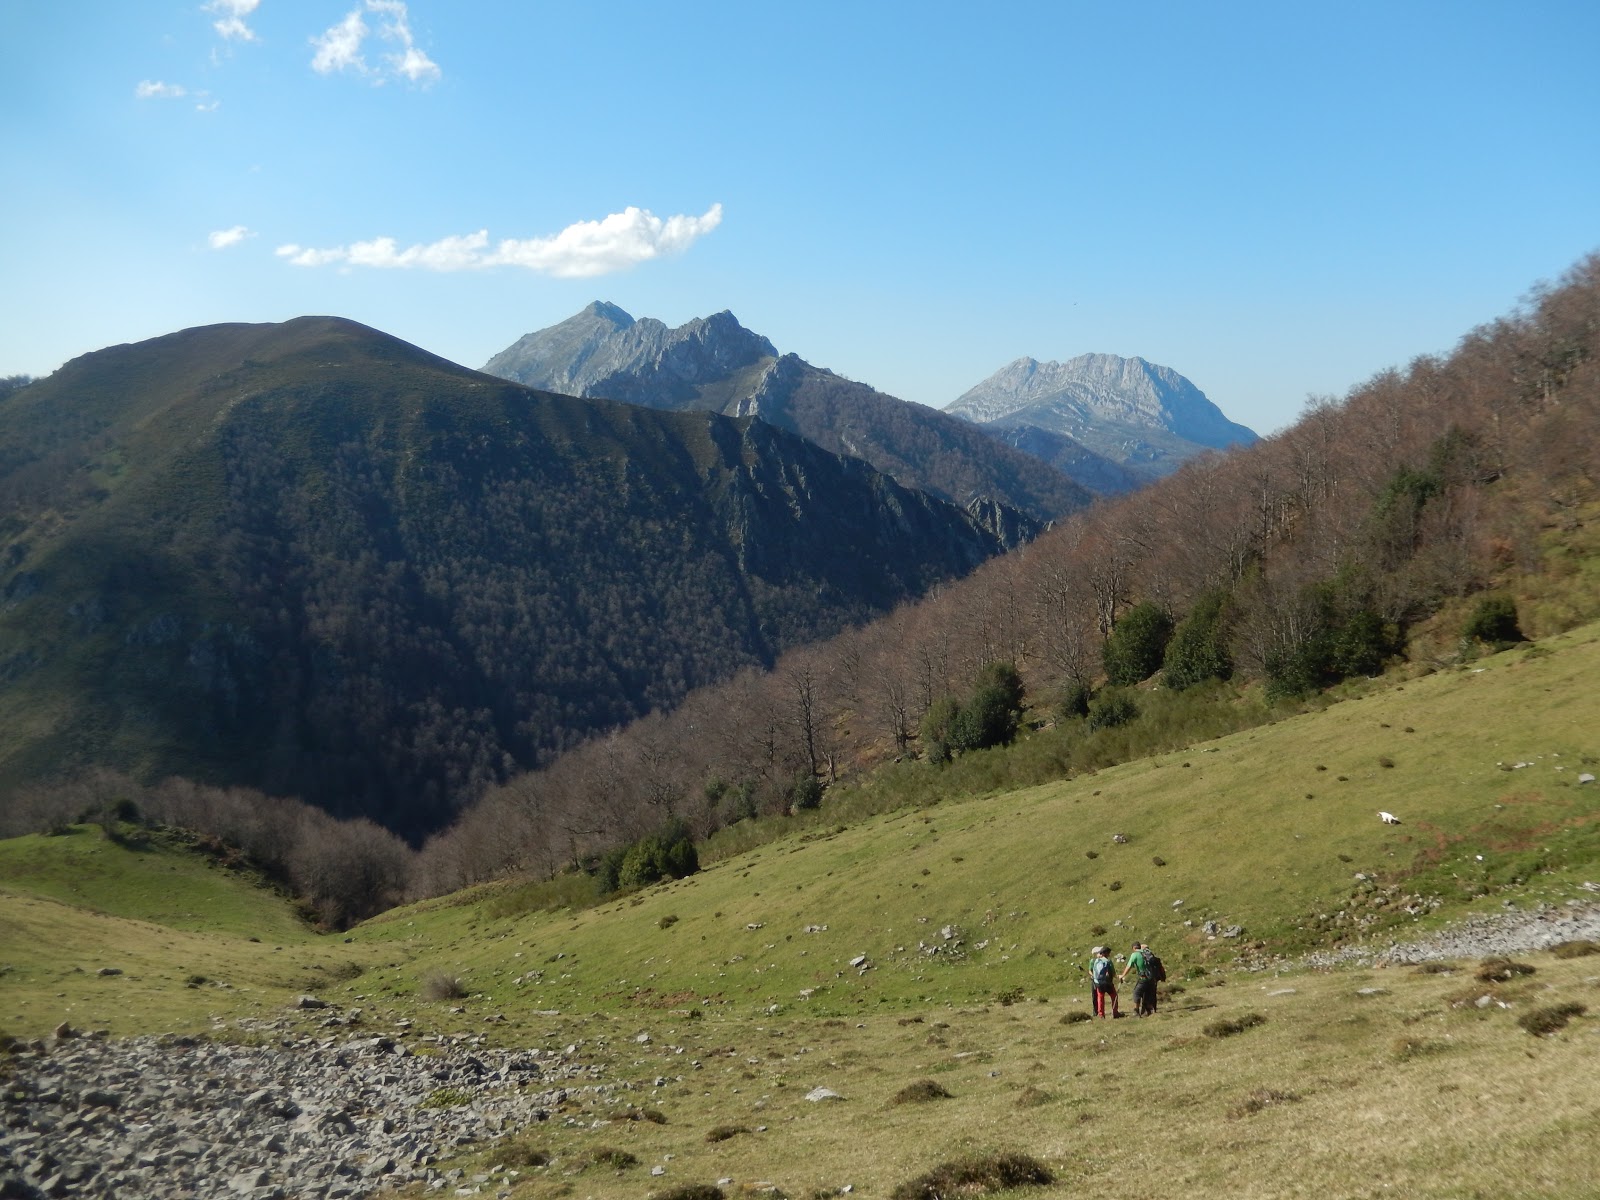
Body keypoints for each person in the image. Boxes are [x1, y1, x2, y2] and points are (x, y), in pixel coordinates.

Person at [1120, 940, 1157, 1016]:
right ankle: (1148, 1010)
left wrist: (1123, 975)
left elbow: (1129, 966)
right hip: (1151, 977)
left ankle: (1136, 1010)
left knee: (1136, 993)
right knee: (1146, 993)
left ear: (1134, 948)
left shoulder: (1135, 954)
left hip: (1143, 978)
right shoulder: (1146, 952)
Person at [1089, 946, 1120, 1019]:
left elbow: (1094, 972)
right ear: (1107, 954)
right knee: (1114, 996)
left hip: (1098, 983)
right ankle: (1115, 1013)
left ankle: (1101, 1014)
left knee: (1100, 998)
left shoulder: (1096, 961)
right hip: (1108, 983)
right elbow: (1113, 973)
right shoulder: (1108, 961)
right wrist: (1119, 977)